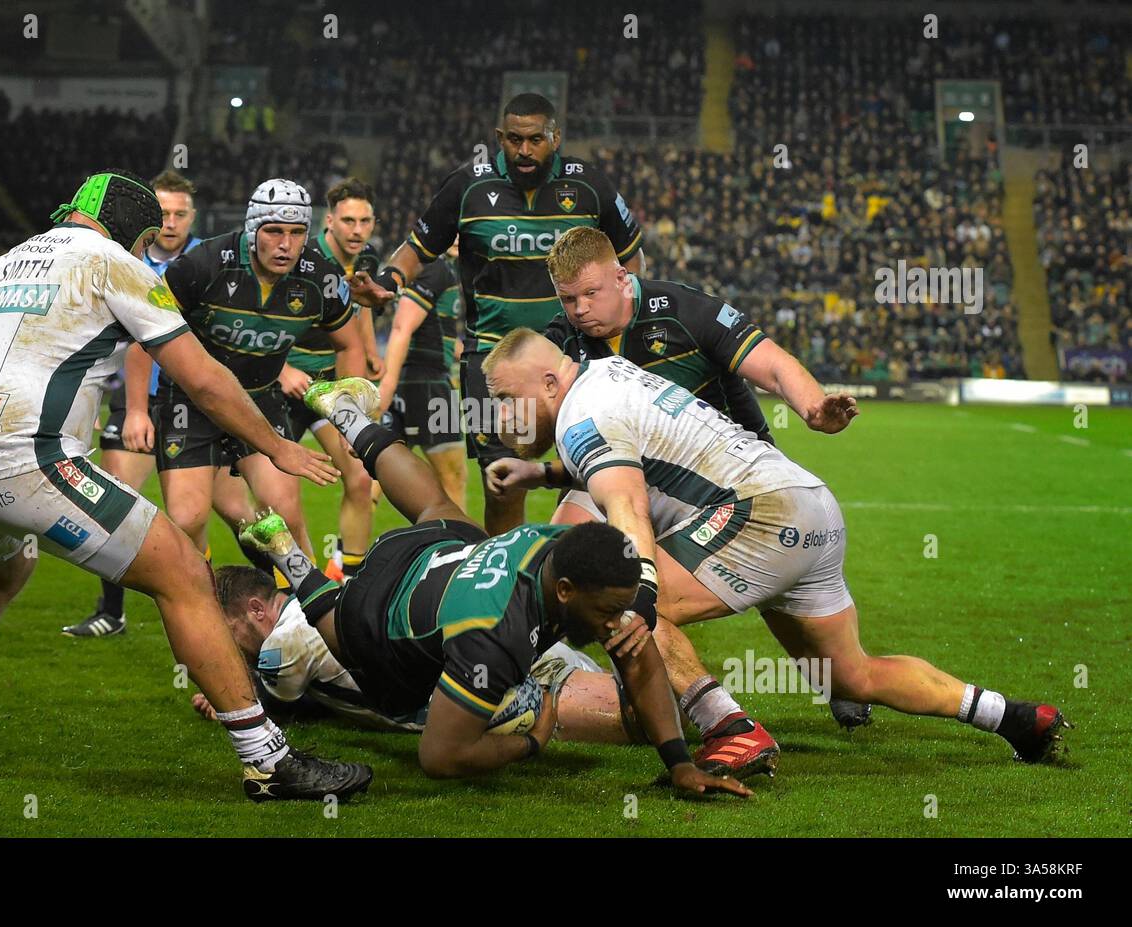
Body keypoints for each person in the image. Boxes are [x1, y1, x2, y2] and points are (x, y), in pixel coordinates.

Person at [0, 169, 372, 801]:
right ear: (131, 232)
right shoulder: (113, 262)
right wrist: (277, 447)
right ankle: (268, 761)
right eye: (145, 239)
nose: (146, 250)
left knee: (2, 575)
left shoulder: (0, 264)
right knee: (186, 575)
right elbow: (203, 379)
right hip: (25, 455)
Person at [480, 328, 1071, 766]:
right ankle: (1014, 717)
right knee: (852, 678)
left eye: (506, 397)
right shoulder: (607, 375)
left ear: (550, 383)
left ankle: (729, 727)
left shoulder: (580, 420)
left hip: (759, 515)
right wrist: (545, 475)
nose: (500, 414)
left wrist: (644, 598)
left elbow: (629, 505)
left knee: (622, 602)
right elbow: (639, 453)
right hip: (810, 504)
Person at [233, 376, 751, 797]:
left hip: (436, 553)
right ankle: (290, 557)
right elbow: (439, 758)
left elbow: (635, 651)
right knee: (347, 637)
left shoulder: (554, 545)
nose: (616, 621)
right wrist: (530, 744)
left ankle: (345, 412)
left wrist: (680, 763)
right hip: (382, 604)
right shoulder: (494, 638)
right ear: (566, 591)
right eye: (611, 609)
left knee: (438, 507)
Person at [538, 226, 871, 733]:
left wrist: (813, 408)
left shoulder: (686, 310)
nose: (579, 309)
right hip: (636, 471)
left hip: (728, 473)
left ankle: (835, 682)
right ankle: (608, 684)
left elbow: (774, 365)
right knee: (568, 550)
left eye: (590, 293)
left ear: (623, 278)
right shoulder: (561, 341)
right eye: (568, 299)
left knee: (777, 597)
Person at [355, 93, 645, 535]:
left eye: (535, 139)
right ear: (499, 138)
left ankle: (591, 566)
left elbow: (631, 258)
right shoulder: (467, 185)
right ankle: (507, 576)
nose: (524, 150)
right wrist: (389, 282)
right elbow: (418, 248)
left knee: (598, 464)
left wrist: (621, 316)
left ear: (556, 137)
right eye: (514, 139)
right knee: (503, 480)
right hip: (489, 358)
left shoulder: (588, 186)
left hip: (572, 358)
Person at [132, 179, 374, 577]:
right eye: (274, 231)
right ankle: (204, 605)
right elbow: (145, 336)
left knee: (288, 511)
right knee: (187, 518)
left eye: (297, 233)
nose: (286, 244)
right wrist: (137, 410)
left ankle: (305, 614)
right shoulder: (201, 266)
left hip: (260, 398)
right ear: (252, 229)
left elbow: (349, 345)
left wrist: (350, 421)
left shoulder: (320, 278)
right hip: (188, 402)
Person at [194, 564, 647, 745]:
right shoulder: (310, 601)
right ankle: (697, 702)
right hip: (485, 633)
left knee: (634, 717)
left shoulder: (281, 646)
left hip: (473, 682)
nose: (219, 644)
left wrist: (229, 693)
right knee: (635, 694)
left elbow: (279, 710)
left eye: (223, 630)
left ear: (256, 610)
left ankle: (703, 718)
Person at [63, 169, 235, 637]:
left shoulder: (208, 263)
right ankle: (111, 612)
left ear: (193, 216)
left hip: (192, 402)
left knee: (207, 514)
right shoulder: (118, 259)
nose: (172, 222)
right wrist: (134, 407)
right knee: (112, 501)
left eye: (181, 213)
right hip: (136, 397)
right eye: (163, 214)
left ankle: (213, 608)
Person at [281, 179, 381, 581]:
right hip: (282, 383)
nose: (358, 230)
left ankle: (346, 580)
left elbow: (363, 304)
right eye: (349, 221)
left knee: (361, 477)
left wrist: (371, 351)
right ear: (330, 221)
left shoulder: (365, 259)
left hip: (327, 383)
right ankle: (296, 590)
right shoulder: (301, 256)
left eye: (366, 221)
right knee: (283, 498)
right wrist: (281, 368)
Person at [377, 237, 466, 508]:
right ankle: (461, 548)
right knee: (453, 476)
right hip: (429, 385)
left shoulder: (419, 267)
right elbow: (402, 327)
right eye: (451, 231)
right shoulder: (436, 268)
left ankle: (347, 550)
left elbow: (432, 330)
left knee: (375, 477)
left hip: (410, 379)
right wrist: (386, 388)